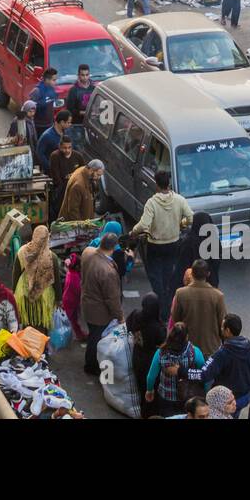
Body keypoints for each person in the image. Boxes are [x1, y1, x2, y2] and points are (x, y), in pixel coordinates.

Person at [133, 171, 192, 323]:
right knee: (168, 277)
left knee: (156, 279)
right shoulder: (179, 200)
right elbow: (190, 217)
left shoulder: (152, 203)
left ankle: (162, 311)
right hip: (173, 244)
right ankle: (168, 308)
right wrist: (181, 224)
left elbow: (144, 225)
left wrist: (133, 231)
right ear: (169, 184)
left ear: (156, 184)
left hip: (155, 247)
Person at [80, 232, 123, 376]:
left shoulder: (87, 252)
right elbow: (112, 298)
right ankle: (91, 366)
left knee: (93, 335)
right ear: (114, 247)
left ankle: (91, 363)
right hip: (99, 312)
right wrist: (119, 316)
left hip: (87, 303)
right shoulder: (107, 271)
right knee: (96, 339)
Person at [201, 314, 250, 419]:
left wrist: (181, 370)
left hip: (227, 401)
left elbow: (204, 374)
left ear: (228, 331)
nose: (220, 329)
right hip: (245, 396)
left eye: (222, 327)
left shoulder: (224, 352)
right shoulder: (248, 346)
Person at [146, 321, 207, 418]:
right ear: (186, 337)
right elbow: (204, 375)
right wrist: (206, 392)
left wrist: (149, 390)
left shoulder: (161, 352)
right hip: (187, 397)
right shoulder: (195, 352)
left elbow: (151, 376)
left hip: (166, 396)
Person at [170, 259, 226, 353]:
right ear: (208, 274)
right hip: (211, 349)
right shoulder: (218, 296)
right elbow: (222, 324)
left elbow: (175, 318)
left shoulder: (181, 293)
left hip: (187, 349)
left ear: (192, 274)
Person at [13, 224, 58, 331]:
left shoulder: (21, 252)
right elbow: (56, 282)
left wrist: (13, 291)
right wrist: (59, 299)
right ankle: (41, 345)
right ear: (47, 238)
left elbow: (16, 274)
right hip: (43, 296)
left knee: (27, 323)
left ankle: (27, 344)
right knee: (42, 324)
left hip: (24, 293)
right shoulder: (52, 257)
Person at [47, 133, 86, 222]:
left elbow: (83, 172)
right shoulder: (55, 156)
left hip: (76, 189)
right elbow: (56, 177)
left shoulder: (78, 156)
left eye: (69, 147)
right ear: (60, 147)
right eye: (64, 148)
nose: (67, 150)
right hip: (61, 190)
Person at [59, 158, 104, 222]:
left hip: (84, 222)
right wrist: (81, 227)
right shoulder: (78, 185)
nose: (99, 178)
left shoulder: (85, 171)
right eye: (98, 175)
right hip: (73, 227)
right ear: (91, 170)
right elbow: (73, 210)